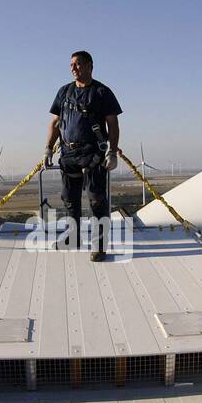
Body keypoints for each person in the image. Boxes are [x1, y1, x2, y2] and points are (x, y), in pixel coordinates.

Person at [44, 51, 122, 261]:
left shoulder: (102, 92)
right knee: (70, 199)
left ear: (90, 66)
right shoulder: (64, 92)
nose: (73, 68)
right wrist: (48, 148)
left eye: (78, 64)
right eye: (71, 65)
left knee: (97, 201)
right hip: (68, 154)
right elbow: (55, 123)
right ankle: (73, 237)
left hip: (93, 154)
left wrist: (112, 152)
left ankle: (99, 246)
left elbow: (113, 125)